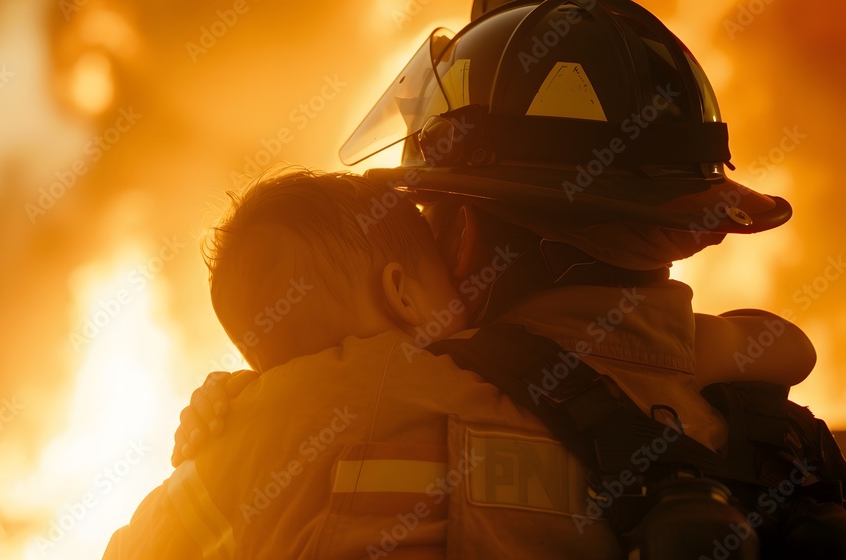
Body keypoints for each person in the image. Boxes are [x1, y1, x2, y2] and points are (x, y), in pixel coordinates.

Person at [172, 1, 846, 558]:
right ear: (674, 227)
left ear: (463, 233)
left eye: (431, 216)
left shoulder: (316, 415)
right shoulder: (791, 444)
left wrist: (241, 411)